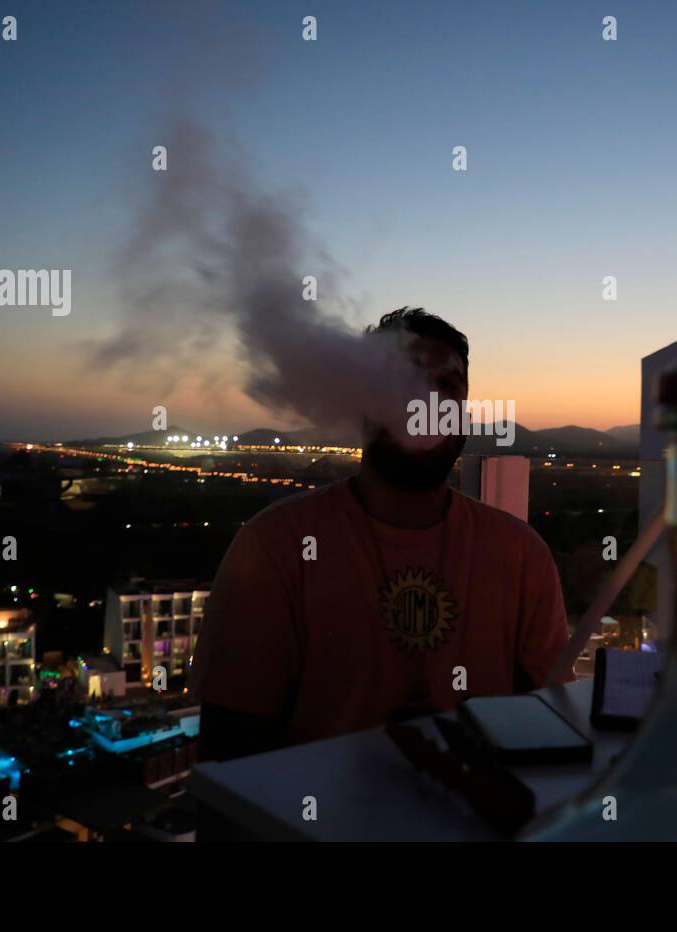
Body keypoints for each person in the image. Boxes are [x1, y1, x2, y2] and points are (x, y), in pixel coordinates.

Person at [191, 308, 570, 761]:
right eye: (405, 379)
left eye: (447, 387)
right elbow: (229, 759)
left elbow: (551, 727)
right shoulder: (275, 547)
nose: (426, 401)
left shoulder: (522, 555)